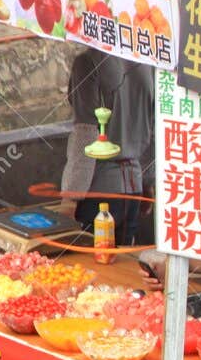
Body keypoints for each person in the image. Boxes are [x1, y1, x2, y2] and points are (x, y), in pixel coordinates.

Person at [60, 49, 154, 242]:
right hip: (134, 189)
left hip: (98, 189)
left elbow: (85, 134)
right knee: (123, 257)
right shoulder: (146, 62)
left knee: (89, 258)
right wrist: (147, 183)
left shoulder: (87, 62)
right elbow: (152, 130)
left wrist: (70, 198)